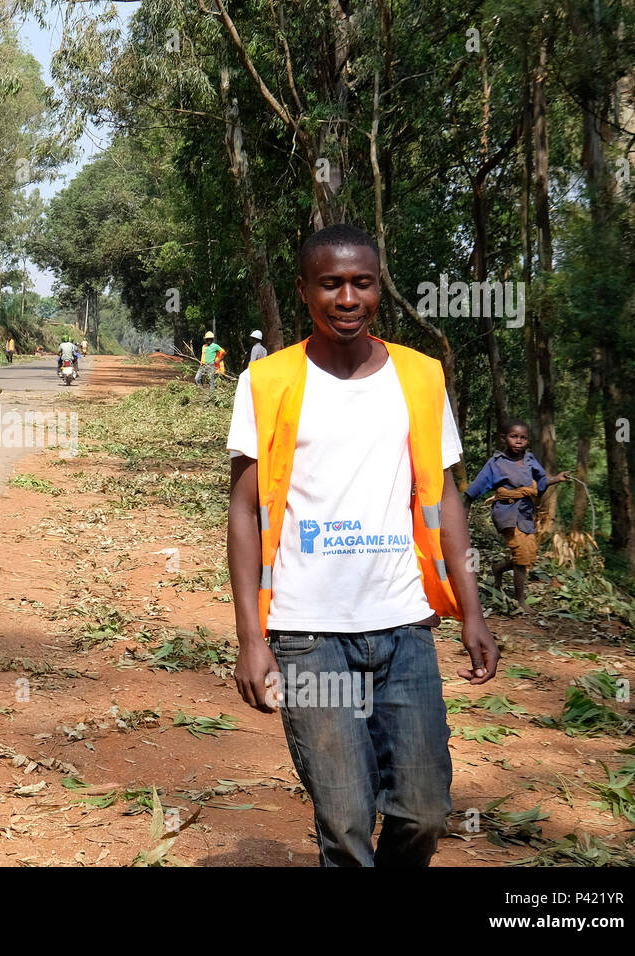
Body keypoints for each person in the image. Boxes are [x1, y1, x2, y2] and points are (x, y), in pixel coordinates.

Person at [226, 223, 496, 868]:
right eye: (331, 284)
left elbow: (446, 497)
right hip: (308, 633)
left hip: (404, 626)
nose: (347, 298)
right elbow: (244, 509)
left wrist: (473, 611)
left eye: (362, 283)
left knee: (425, 810)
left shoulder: (421, 378)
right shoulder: (267, 383)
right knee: (345, 821)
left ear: (380, 288)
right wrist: (250, 638)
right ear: (304, 291)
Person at [464, 420, 569, 612]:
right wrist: (463, 513)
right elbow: (476, 487)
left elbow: (541, 481)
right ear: (504, 439)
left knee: (527, 556)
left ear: (527, 440)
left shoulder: (529, 459)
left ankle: (498, 569)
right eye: (514, 437)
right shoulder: (497, 463)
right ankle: (520, 600)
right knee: (521, 556)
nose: (518, 441)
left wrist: (557, 478)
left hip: (525, 512)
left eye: (523, 437)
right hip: (506, 512)